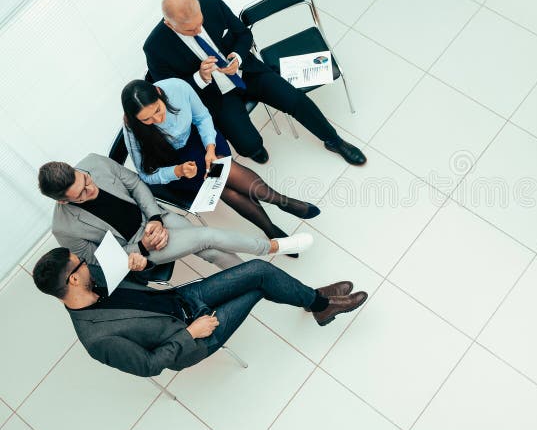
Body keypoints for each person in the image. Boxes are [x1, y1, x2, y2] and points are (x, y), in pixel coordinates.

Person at [32, 248, 368, 377]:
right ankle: (318, 304)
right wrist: (190, 334)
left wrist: (139, 261)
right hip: (192, 338)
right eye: (81, 264)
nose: (88, 263)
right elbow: (149, 365)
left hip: (185, 299)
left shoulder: (96, 283)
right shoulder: (97, 338)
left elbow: (140, 286)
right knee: (258, 288)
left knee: (257, 270)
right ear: (73, 278)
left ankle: (316, 303)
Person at [143, 0, 366, 166]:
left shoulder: (211, 3)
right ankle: (254, 147)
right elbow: (171, 94)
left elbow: (243, 33)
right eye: (190, 31)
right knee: (248, 146)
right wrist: (200, 77)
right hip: (215, 96)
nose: (199, 30)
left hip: (246, 72)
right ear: (169, 24)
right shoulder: (155, 48)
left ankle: (334, 141)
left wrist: (238, 58)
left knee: (295, 99)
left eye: (200, 23)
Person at [121, 78, 319, 244]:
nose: (157, 120)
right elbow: (146, 174)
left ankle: (280, 207)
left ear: (159, 92)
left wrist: (210, 148)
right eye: (147, 120)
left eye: (158, 110)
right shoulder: (131, 128)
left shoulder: (177, 87)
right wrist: (177, 171)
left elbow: (202, 118)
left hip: (200, 140)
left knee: (225, 172)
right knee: (222, 186)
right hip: (174, 163)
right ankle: (272, 223)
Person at [38, 155, 312, 269]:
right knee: (206, 237)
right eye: (82, 194)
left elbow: (134, 183)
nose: (91, 188)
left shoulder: (94, 162)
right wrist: (143, 248)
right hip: (141, 246)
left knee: (212, 251)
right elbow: (99, 261)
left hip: (155, 216)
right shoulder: (64, 228)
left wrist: (155, 217)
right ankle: (270, 247)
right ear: (63, 202)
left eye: (85, 180)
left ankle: (254, 275)